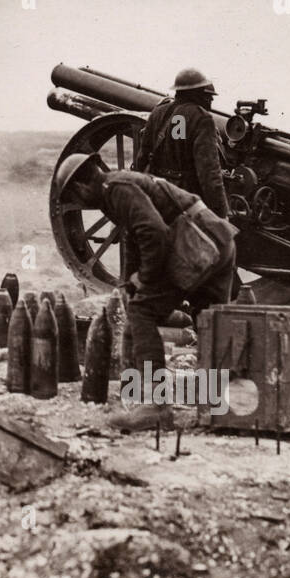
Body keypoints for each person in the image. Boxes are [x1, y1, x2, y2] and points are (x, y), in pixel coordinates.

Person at [55, 154, 234, 430]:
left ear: (82, 187)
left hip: (197, 244)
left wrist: (143, 281)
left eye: (75, 196)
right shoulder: (118, 185)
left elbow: (153, 232)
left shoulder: (115, 191)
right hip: (216, 241)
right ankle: (217, 407)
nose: (79, 203)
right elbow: (136, 236)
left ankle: (156, 406)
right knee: (210, 320)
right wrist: (129, 282)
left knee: (141, 312)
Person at [134, 68, 228, 218]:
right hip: (187, 199)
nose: (210, 100)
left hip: (157, 193)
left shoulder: (157, 113)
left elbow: (142, 156)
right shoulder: (202, 118)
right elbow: (209, 172)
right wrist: (221, 212)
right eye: (207, 95)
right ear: (196, 93)